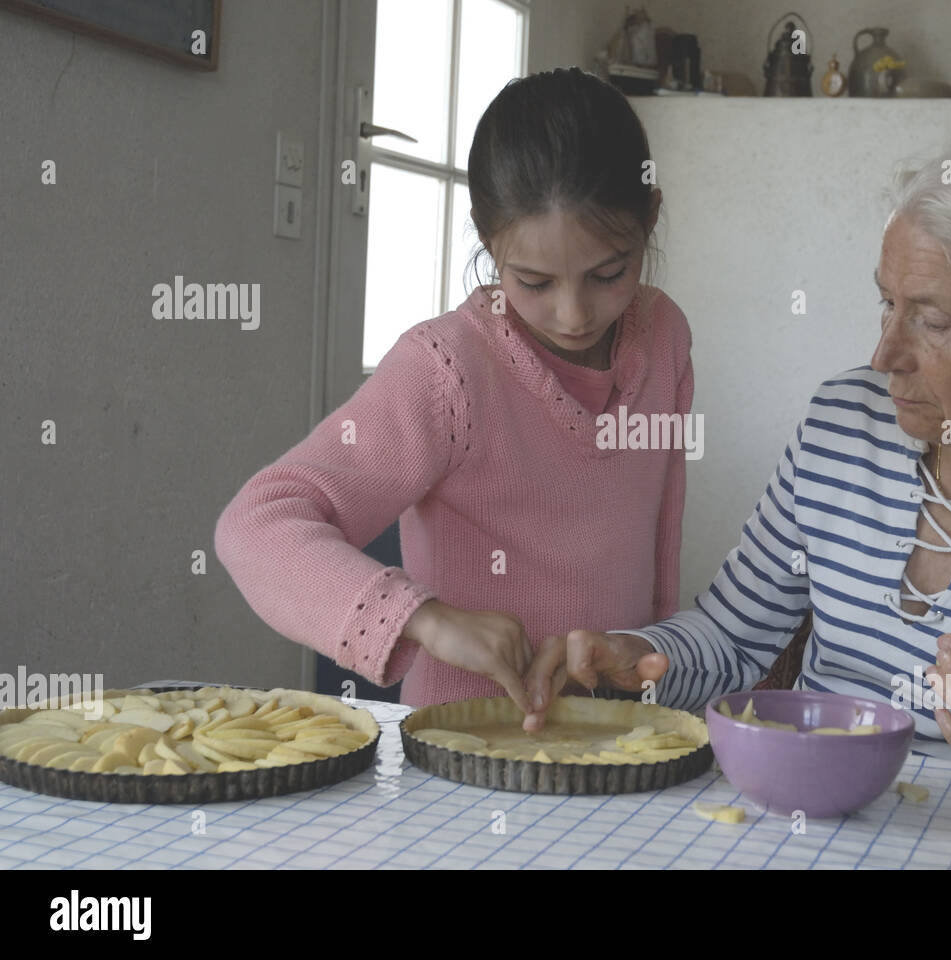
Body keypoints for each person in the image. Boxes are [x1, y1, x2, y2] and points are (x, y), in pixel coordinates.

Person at [526, 136, 951, 870]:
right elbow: (733, 640)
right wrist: (640, 653)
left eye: (932, 320)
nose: (884, 354)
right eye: (886, 303)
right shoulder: (843, 426)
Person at [215, 68, 693, 719]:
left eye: (610, 273)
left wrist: (659, 678)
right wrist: (427, 618)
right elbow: (255, 525)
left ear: (651, 219)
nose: (575, 314)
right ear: (487, 239)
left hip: (623, 735)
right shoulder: (448, 373)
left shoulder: (663, 335)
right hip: (464, 748)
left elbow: (660, 546)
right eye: (534, 281)